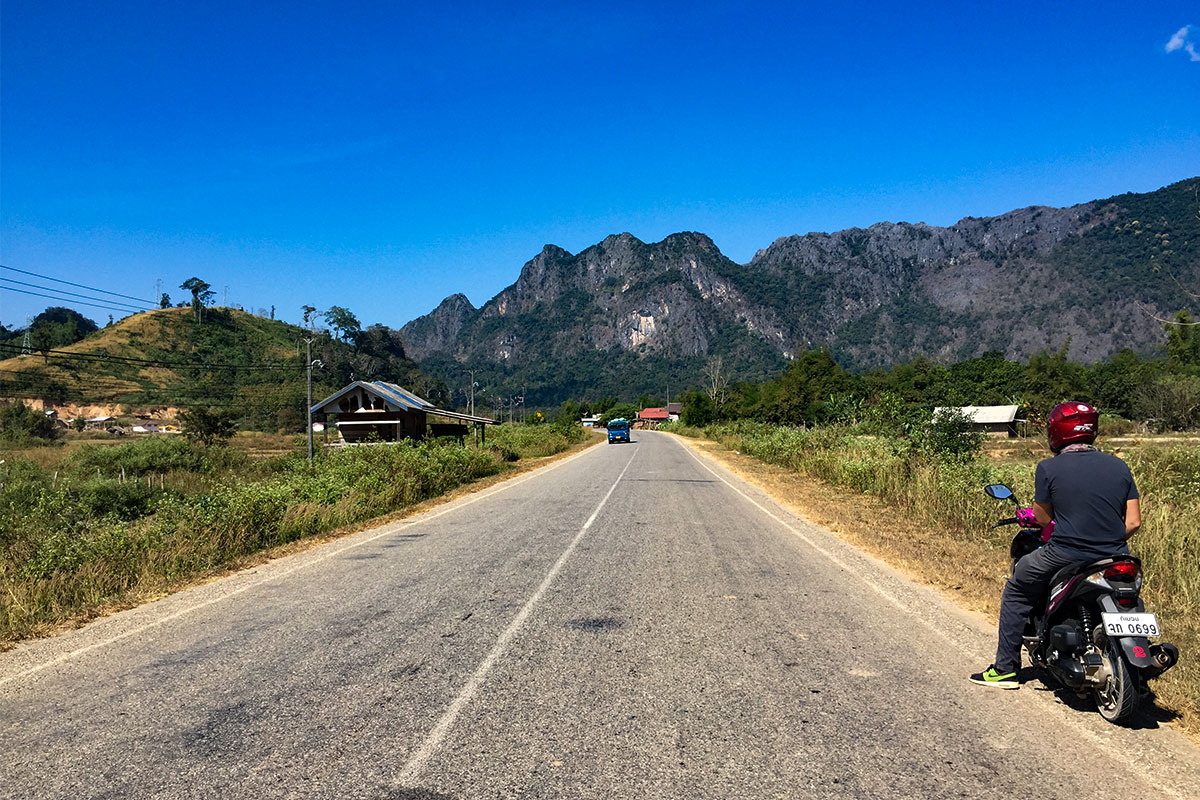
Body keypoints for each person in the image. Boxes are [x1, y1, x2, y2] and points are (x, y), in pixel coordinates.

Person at [970, 401, 1141, 688]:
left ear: (1057, 432)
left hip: (1065, 553)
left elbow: (1042, 517)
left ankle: (1005, 669)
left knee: (1016, 588)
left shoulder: (1049, 468)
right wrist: (1105, 541)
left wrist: (1033, 518)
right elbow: (1134, 522)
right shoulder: (1119, 466)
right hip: (1116, 556)